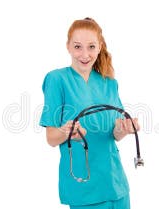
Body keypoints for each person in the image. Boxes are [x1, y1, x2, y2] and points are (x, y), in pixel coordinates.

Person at [40, 17, 141, 209]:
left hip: (116, 185)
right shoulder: (57, 80)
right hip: (84, 189)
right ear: (68, 47)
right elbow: (51, 138)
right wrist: (66, 132)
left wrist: (125, 128)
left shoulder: (109, 82)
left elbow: (115, 135)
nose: (85, 54)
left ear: (100, 46)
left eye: (91, 47)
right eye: (78, 47)